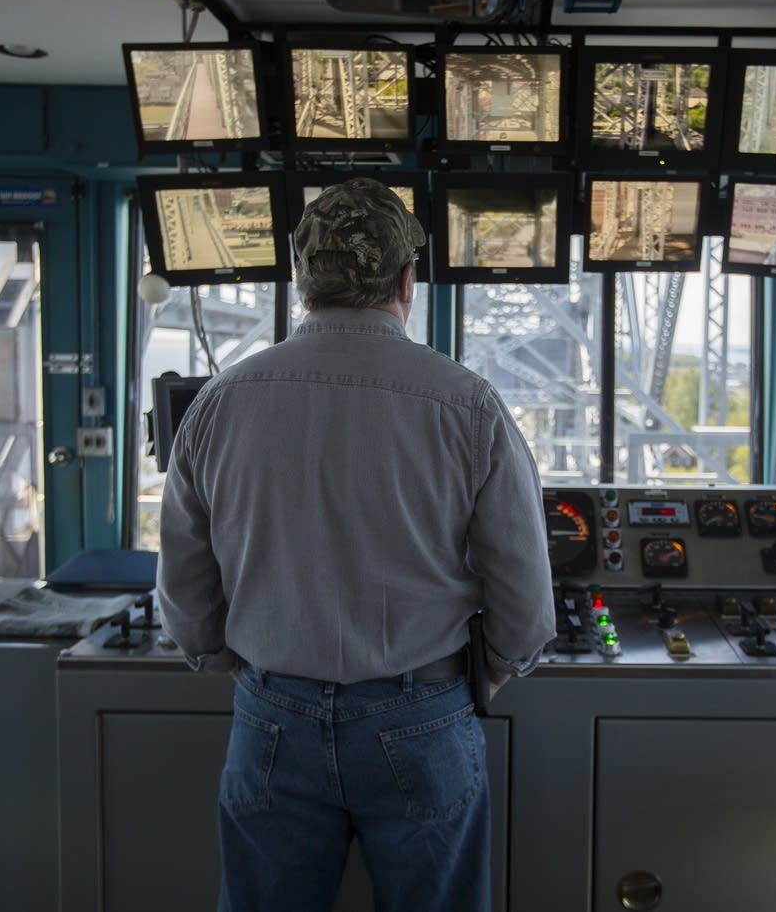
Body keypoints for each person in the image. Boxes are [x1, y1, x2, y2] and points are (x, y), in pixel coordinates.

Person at [156, 176, 556, 912]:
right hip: (422, 715)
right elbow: (525, 599)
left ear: (300, 276)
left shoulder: (219, 402)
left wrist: (230, 665)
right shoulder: (466, 403)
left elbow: (183, 581)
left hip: (270, 715)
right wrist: (494, 672)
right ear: (408, 279)